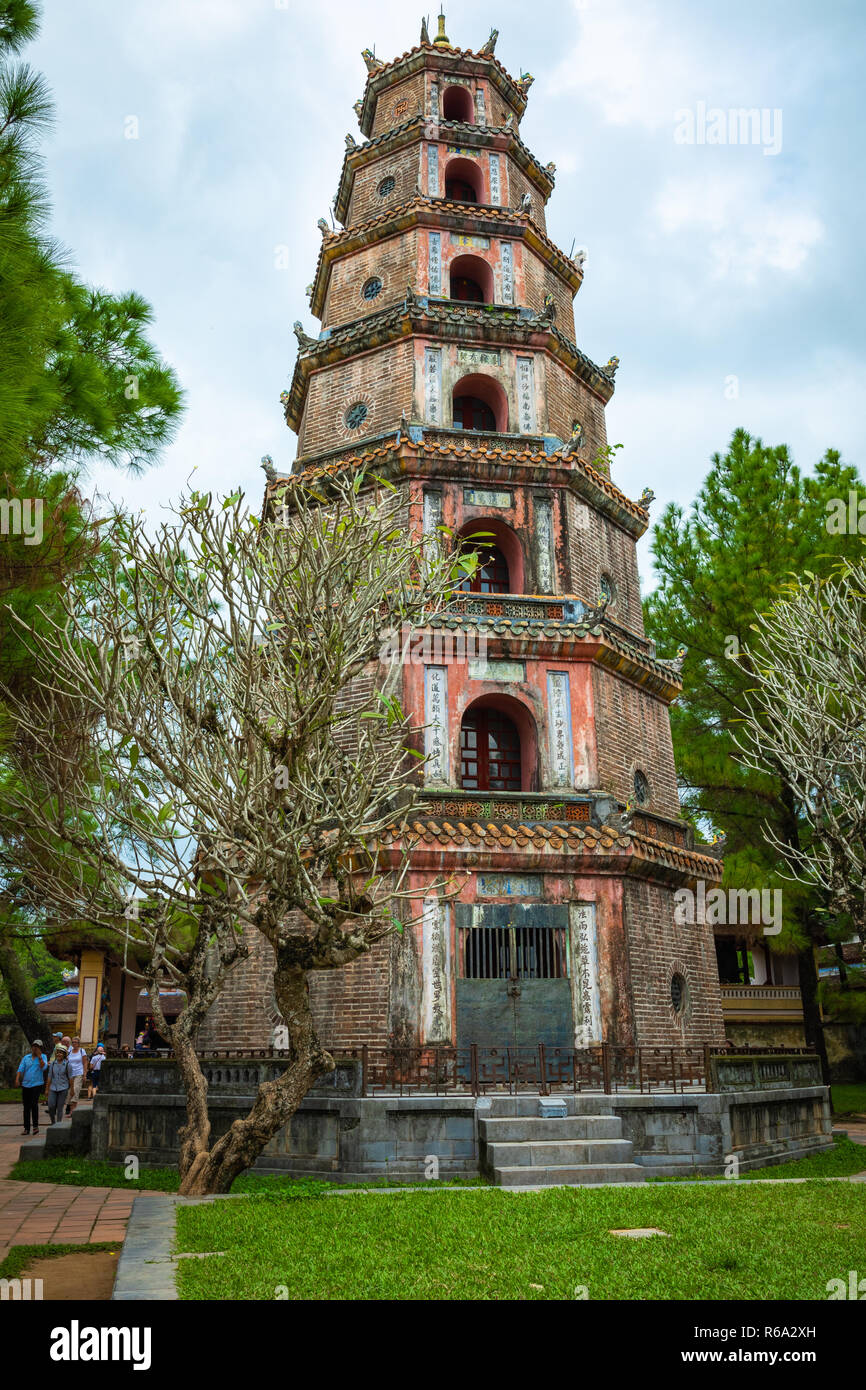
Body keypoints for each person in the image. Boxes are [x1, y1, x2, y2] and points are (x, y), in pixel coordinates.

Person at [15, 1039, 47, 1136]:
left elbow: (43, 1067)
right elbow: (20, 1068)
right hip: (26, 1084)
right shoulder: (26, 1057)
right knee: (26, 1106)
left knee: (34, 1104)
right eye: (33, 1046)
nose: (35, 1048)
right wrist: (17, 1079)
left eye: (37, 1046)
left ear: (40, 1048)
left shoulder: (43, 1057)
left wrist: (39, 1056)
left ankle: (35, 1127)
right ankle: (26, 1128)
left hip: (37, 1084)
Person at [44, 1045, 71, 1125]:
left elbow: (70, 1078)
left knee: (60, 1107)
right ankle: (53, 1121)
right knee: (51, 1106)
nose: (59, 1054)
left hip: (63, 1088)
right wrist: (47, 1089)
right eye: (58, 1053)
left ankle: (58, 1124)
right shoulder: (52, 1064)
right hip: (53, 1088)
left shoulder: (67, 1065)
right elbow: (49, 1077)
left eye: (61, 1053)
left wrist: (72, 1089)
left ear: (64, 1055)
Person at [65, 1036, 88, 1114]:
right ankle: (69, 1106)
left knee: (75, 1089)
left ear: (79, 1043)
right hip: (70, 1074)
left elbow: (85, 1063)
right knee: (70, 1091)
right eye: (73, 1042)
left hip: (79, 1073)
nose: (74, 1043)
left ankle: (72, 1111)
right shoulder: (69, 1051)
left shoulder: (82, 1051)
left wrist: (85, 1074)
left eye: (76, 1042)